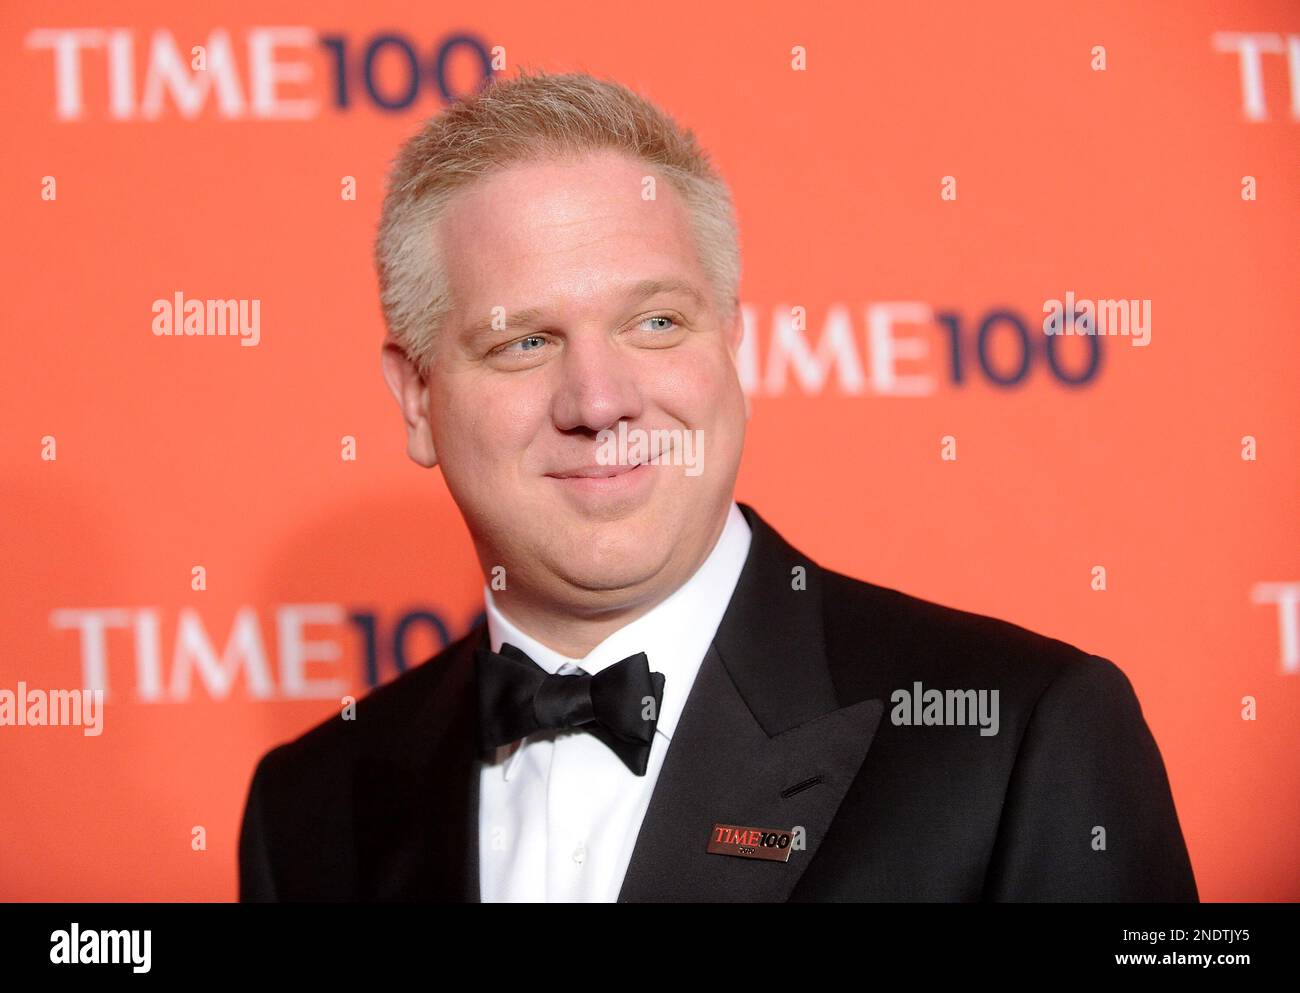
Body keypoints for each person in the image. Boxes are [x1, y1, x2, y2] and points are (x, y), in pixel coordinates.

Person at [237, 68, 1197, 902]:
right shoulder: (308, 809)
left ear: (731, 345)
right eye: (523, 341)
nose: (599, 399)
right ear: (415, 398)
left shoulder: (1021, 739)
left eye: (655, 323)